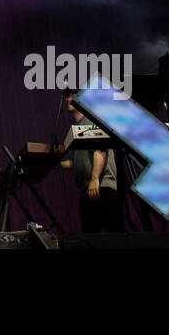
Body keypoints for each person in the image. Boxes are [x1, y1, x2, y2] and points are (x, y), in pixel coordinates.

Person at [58, 94, 124, 233]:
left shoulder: (92, 119)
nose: (68, 100)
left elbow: (101, 149)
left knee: (114, 235)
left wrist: (95, 179)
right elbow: (72, 162)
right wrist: (53, 163)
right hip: (86, 190)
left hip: (101, 186)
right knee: (90, 238)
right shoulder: (76, 129)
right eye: (68, 97)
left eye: (72, 96)